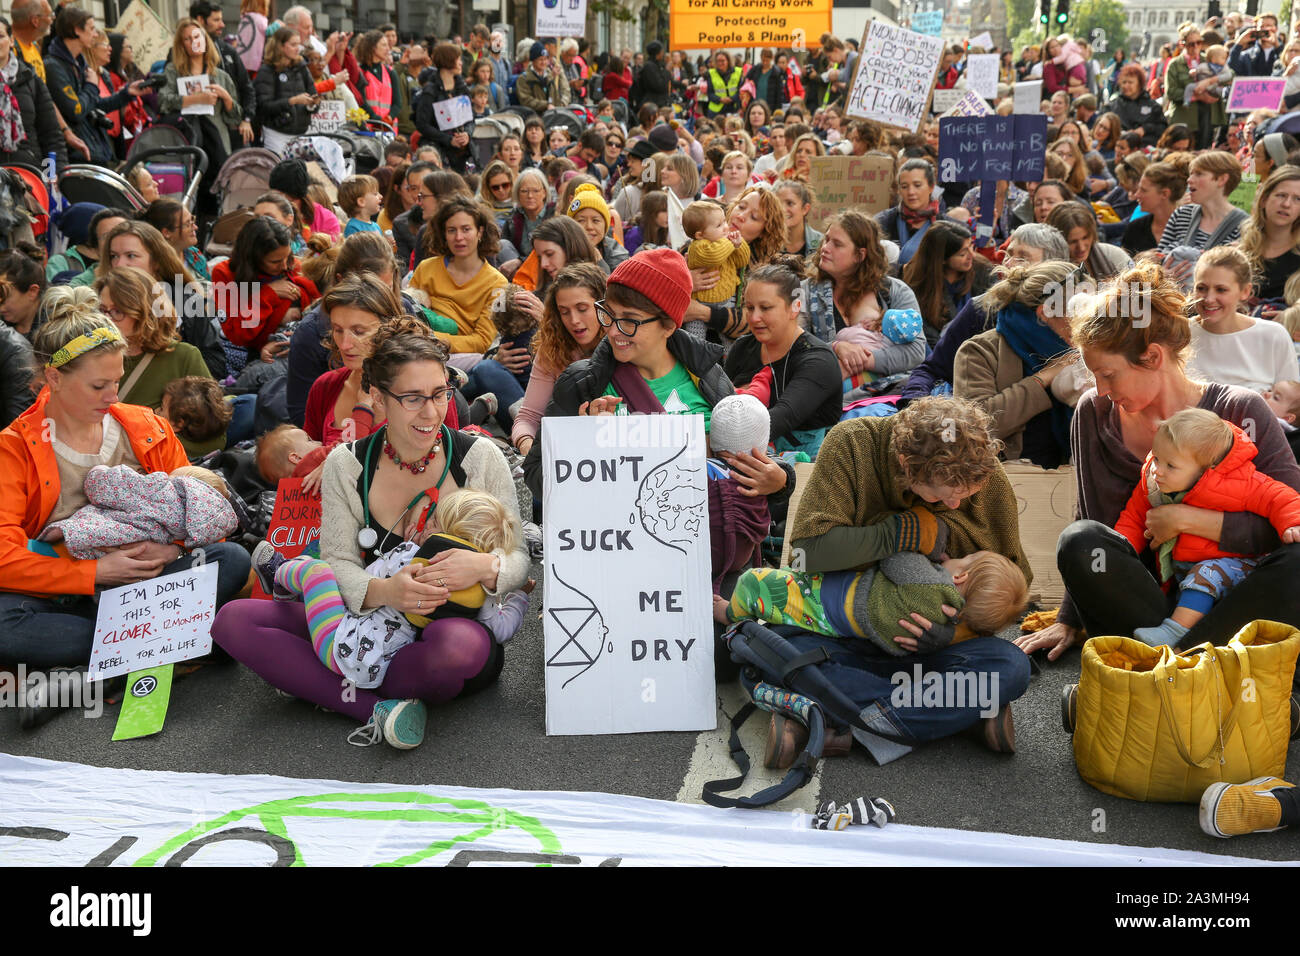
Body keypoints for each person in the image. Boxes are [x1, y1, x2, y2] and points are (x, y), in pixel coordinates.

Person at [212, 319, 528, 749]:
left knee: (459, 646)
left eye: (439, 394)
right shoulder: (347, 462)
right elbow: (339, 560)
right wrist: (385, 592)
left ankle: (324, 685)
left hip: (438, 636)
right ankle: (377, 708)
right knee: (233, 621)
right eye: (413, 398)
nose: (431, 411)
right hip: (364, 624)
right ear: (378, 398)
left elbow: (520, 558)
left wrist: (486, 566)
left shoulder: (480, 455)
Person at [1016, 261, 1300, 663]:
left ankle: (1172, 664)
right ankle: (1201, 674)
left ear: (1151, 357)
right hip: (1145, 604)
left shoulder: (1240, 408)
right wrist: (1068, 617)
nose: (1100, 388)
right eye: (1094, 375)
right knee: (1079, 540)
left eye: (1109, 374)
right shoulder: (1093, 413)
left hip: (1235, 599)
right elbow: (1094, 528)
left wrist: (1190, 521)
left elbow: (1291, 521)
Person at [0, 301, 250, 691]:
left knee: (231, 558)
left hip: (148, 582)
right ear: (55, 377)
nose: (112, 396)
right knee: (4, 626)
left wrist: (176, 549)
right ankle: (168, 644)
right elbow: (4, 556)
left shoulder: (146, 426)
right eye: (99, 386)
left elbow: (198, 508)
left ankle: (103, 664)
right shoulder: (13, 447)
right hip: (66, 593)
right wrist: (93, 573)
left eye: (117, 381)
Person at [785, 397, 1033, 759]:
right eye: (943, 495)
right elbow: (808, 554)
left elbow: (1011, 583)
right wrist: (901, 534)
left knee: (1011, 667)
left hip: (931, 654)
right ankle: (955, 715)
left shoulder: (986, 474)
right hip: (846, 631)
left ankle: (844, 725)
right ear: (907, 465)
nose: (953, 506)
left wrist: (952, 633)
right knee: (778, 645)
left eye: (964, 498)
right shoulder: (852, 443)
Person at [1112, 407, 1300, 647]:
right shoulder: (1154, 481)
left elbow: (1281, 498)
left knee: (1205, 575)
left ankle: (1175, 633)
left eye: (1171, 465)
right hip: (1186, 568)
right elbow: (1134, 516)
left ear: (1206, 468)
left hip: (1237, 566)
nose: (1158, 470)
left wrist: (1293, 523)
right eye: (1156, 458)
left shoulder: (1241, 483)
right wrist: (1119, 547)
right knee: (1190, 583)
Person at [721, 549, 1029, 652]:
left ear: (959, 576)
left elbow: (896, 557)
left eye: (962, 558)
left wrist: (932, 554)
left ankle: (729, 615)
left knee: (756, 583)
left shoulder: (930, 584)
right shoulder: (948, 628)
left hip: (831, 598)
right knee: (790, 601)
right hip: (847, 629)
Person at [953, 260, 1085, 469]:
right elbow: (975, 427)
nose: (1085, 321)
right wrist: (1045, 378)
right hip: (1013, 482)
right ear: (1045, 313)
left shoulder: (1087, 349)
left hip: (1074, 478)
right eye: (1077, 312)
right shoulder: (980, 351)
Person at [723, 259, 840, 456]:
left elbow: (780, 419)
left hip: (808, 471)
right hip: (744, 458)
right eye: (750, 307)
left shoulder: (819, 361)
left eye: (765, 308)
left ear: (794, 307)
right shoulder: (743, 347)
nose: (754, 317)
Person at [94, 269, 213, 452]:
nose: (106, 319)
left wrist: (152, 453)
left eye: (117, 311)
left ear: (144, 312)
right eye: (102, 310)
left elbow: (214, 436)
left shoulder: (183, 357)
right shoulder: (88, 358)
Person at [803, 211, 924, 379]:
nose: (825, 248)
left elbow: (916, 352)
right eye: (827, 239)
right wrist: (836, 347)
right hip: (828, 395)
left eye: (837, 244)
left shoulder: (895, 291)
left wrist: (862, 360)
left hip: (886, 394)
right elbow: (793, 344)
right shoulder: (805, 292)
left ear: (860, 255)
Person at [99, 220, 226, 381]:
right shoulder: (99, 297)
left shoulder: (185, 300)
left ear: (156, 261)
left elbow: (215, 364)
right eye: (113, 256)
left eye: (131, 256)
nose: (119, 264)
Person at [43, 6, 148, 166]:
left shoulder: (79, 64)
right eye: (92, 28)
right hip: (74, 156)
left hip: (95, 151)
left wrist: (127, 93)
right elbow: (76, 110)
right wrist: (91, 86)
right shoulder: (53, 66)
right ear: (77, 30)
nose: (95, 34)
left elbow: (95, 104)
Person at [409, 196, 508, 364]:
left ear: (480, 232)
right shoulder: (426, 268)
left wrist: (432, 339)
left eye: (466, 229)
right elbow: (409, 313)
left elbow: (482, 341)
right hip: (416, 349)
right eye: (451, 230)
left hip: (463, 357)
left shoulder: (499, 284)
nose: (459, 237)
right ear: (444, 234)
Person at [1186, 246, 1299, 392]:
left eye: (1221, 289)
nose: (1209, 299)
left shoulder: (1273, 336)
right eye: (1201, 288)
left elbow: (1291, 405)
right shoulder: (1178, 334)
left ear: (1245, 291)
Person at [212, 216, 318, 368]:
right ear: (252, 259)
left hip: (301, 346)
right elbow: (237, 335)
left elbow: (321, 310)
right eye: (275, 262)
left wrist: (300, 336)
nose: (283, 266)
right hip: (262, 356)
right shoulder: (225, 274)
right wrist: (267, 295)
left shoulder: (293, 267)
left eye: (287, 256)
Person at [1156, 151, 1249, 281]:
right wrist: (1161, 275)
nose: (1189, 180)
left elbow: (1241, 277)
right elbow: (1157, 260)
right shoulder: (1181, 214)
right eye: (1191, 174)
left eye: (1198, 174)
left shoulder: (1244, 225)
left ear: (1222, 179)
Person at [903, 220, 993, 348]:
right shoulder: (917, 284)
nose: (971, 255)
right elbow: (925, 333)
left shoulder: (983, 270)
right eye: (963, 254)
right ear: (942, 259)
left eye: (971, 247)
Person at [0, 15, 64, 168]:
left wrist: (54, 175)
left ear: (11, 41)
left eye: (0, 36)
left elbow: (51, 135)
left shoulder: (30, 78)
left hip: (30, 176)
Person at [1240, 166, 1300, 305]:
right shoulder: (1240, 251)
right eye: (1281, 195)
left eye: (1297, 199)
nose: (1286, 204)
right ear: (1263, 200)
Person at [254, 26, 319, 154]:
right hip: (276, 135)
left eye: (299, 44)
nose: (298, 48)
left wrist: (313, 104)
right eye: (293, 44)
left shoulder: (302, 67)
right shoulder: (267, 70)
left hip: (301, 134)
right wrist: (292, 101)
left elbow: (313, 94)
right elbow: (263, 106)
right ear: (281, 46)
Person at [414, 42, 473, 174]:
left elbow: (471, 119)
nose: (461, 63)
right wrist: (449, 140)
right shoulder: (430, 90)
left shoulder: (462, 88)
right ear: (447, 61)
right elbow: (422, 124)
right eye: (457, 59)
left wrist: (467, 135)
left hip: (462, 152)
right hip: (439, 149)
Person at [684, 199, 750, 309]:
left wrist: (739, 245)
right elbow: (714, 256)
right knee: (695, 326)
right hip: (701, 302)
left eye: (724, 221)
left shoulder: (725, 245)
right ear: (700, 235)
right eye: (719, 225)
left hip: (728, 299)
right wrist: (730, 242)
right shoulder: (698, 246)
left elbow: (742, 262)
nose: (725, 227)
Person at [876, 159, 942, 267]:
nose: (911, 192)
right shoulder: (883, 222)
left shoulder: (945, 225)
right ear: (899, 190)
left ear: (931, 187)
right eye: (904, 187)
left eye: (917, 185)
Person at [1045, 203, 1129, 280]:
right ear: (1057, 241)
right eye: (1072, 242)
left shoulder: (1113, 255)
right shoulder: (1047, 273)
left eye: (1085, 238)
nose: (1081, 248)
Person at [268, 158, 342, 242]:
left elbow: (330, 253)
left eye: (278, 194)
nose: (273, 199)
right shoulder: (269, 214)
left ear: (294, 194)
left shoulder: (325, 219)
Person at [1122, 161, 1187, 255]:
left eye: (1143, 190)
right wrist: (1141, 259)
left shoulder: (1189, 228)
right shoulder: (1135, 228)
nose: (1137, 194)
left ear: (1165, 194)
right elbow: (1124, 266)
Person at [138, 199, 209, 282]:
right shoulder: (153, 269)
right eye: (187, 224)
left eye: (192, 219)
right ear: (167, 232)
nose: (195, 227)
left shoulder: (195, 254)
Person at [1098, 63, 1168, 147]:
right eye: (1124, 82)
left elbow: (1163, 128)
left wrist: (1145, 129)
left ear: (1139, 84)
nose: (1126, 85)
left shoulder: (1153, 106)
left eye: (1130, 82)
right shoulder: (1113, 105)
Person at [351, 29, 398, 130]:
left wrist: (389, 118)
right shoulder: (360, 72)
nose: (388, 49)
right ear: (373, 48)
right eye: (383, 45)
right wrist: (377, 120)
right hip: (368, 128)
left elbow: (398, 103)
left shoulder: (390, 72)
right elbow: (361, 101)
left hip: (388, 129)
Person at [515, 41, 569, 114]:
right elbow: (526, 100)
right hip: (533, 118)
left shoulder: (550, 76)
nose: (543, 62)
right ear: (533, 60)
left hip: (551, 117)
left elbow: (555, 98)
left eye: (545, 59)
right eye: (540, 59)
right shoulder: (523, 79)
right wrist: (546, 105)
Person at [775, 180, 822, 258]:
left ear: (805, 209)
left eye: (790, 203)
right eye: (778, 203)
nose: (782, 209)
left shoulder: (821, 243)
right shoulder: (765, 242)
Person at [704, 50, 743, 117]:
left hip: (734, 108)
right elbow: (710, 94)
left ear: (728, 61)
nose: (720, 63)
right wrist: (720, 99)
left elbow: (741, 91)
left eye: (722, 61)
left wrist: (731, 98)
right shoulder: (711, 73)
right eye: (718, 61)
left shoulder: (738, 72)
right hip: (716, 111)